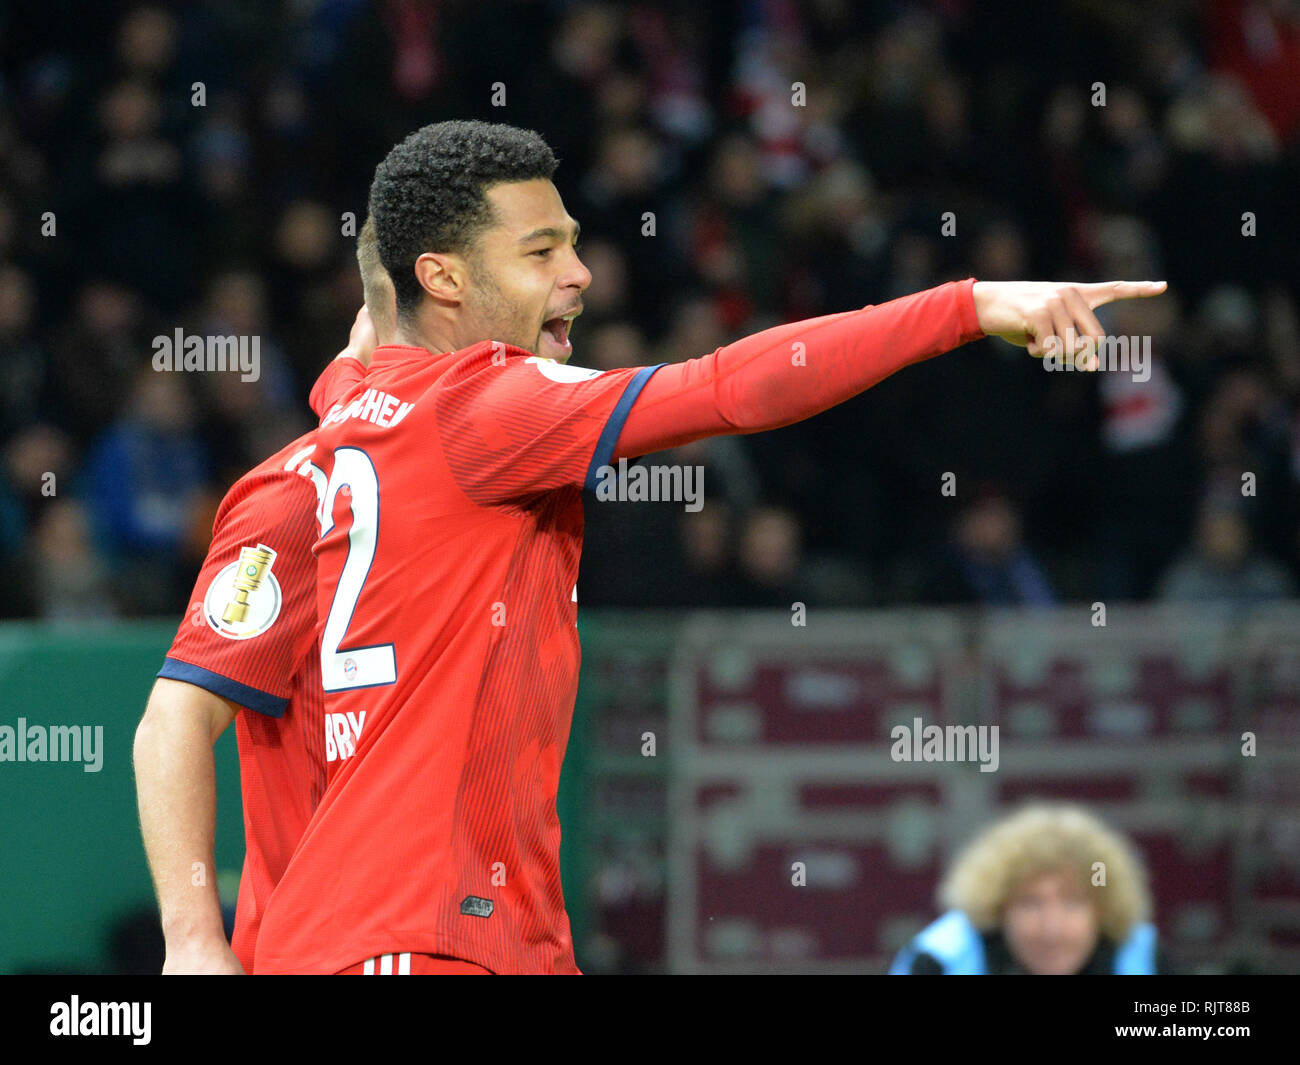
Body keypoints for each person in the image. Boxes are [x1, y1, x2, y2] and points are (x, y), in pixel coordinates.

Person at [252, 119, 1166, 976]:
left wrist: (365, 344)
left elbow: (361, 369)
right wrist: (965, 307)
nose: (579, 273)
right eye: (541, 252)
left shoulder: (351, 415)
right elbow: (730, 387)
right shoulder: (488, 404)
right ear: (444, 279)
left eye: (570, 241)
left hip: (424, 924)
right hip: (421, 932)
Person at [132, 221, 394, 974]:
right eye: (537, 254)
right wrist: (192, 939)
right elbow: (174, 720)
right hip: (322, 952)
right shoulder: (303, 495)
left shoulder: (507, 493)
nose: (574, 276)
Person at [889, 803, 1161, 975]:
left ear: (1103, 911)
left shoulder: (1145, 956)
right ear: (997, 910)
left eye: (1073, 903)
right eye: (1030, 904)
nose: (1052, 929)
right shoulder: (939, 960)